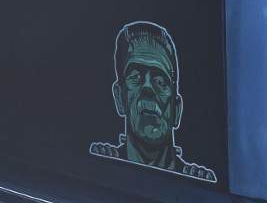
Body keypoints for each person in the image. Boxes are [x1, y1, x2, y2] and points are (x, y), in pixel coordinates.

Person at [89, 21, 217, 183]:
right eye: (135, 77)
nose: (147, 88)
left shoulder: (196, 185)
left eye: (160, 81)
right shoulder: (99, 171)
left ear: (176, 109)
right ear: (120, 98)